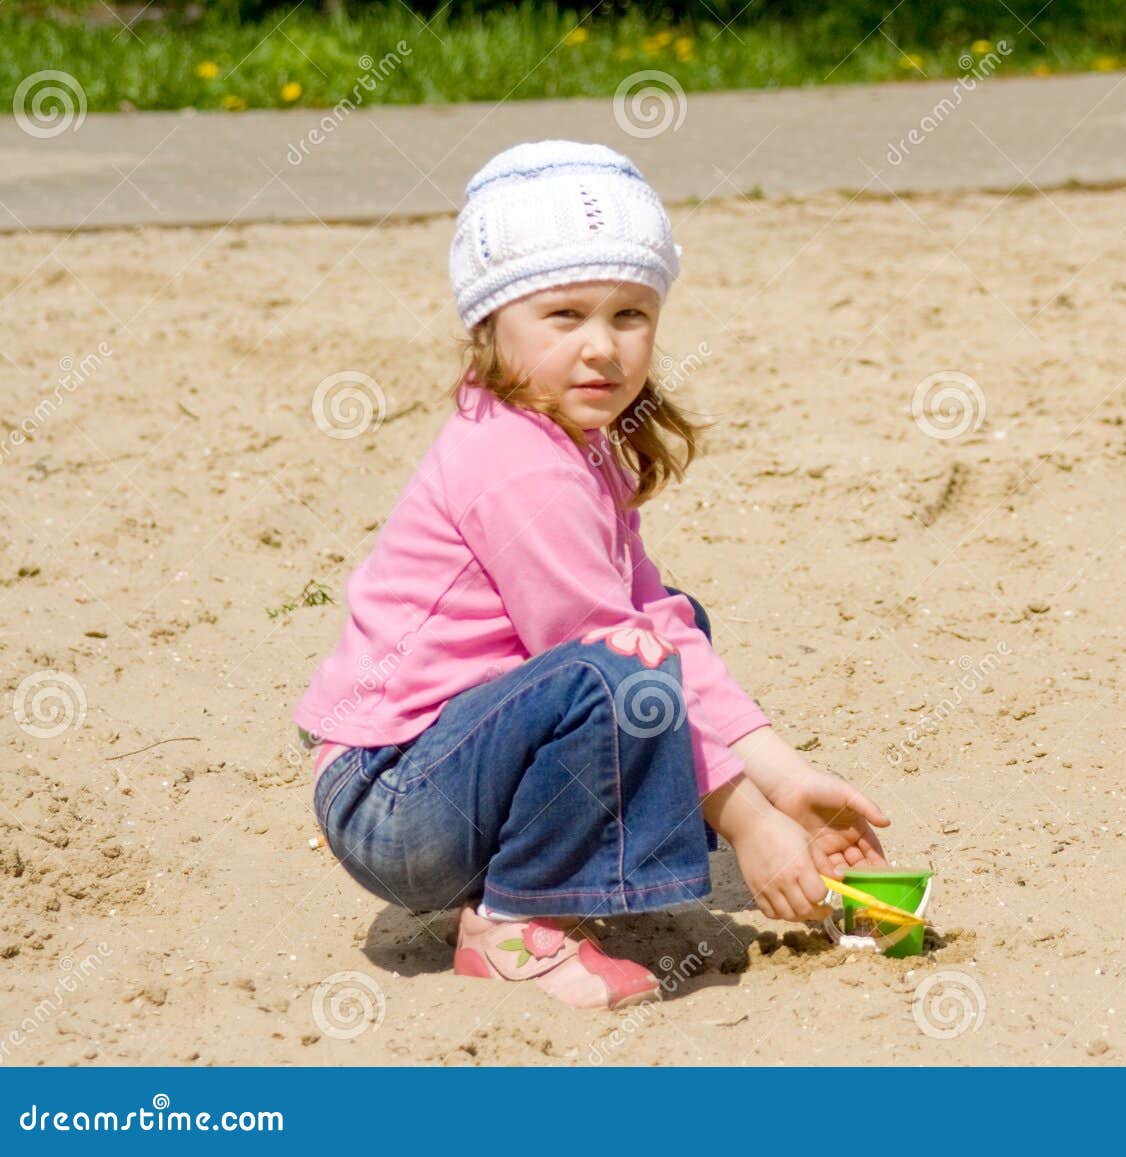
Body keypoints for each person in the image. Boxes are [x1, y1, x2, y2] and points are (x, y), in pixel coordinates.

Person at [293, 140, 890, 1010]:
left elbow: (657, 620)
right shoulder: (517, 465)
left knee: (672, 623)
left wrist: (783, 779)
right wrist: (751, 827)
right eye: (564, 315)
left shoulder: (570, 440)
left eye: (631, 315)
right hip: (394, 800)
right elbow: (607, 652)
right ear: (490, 323)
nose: (602, 349)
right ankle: (510, 924)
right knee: (619, 669)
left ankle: (549, 874)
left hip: (448, 770)